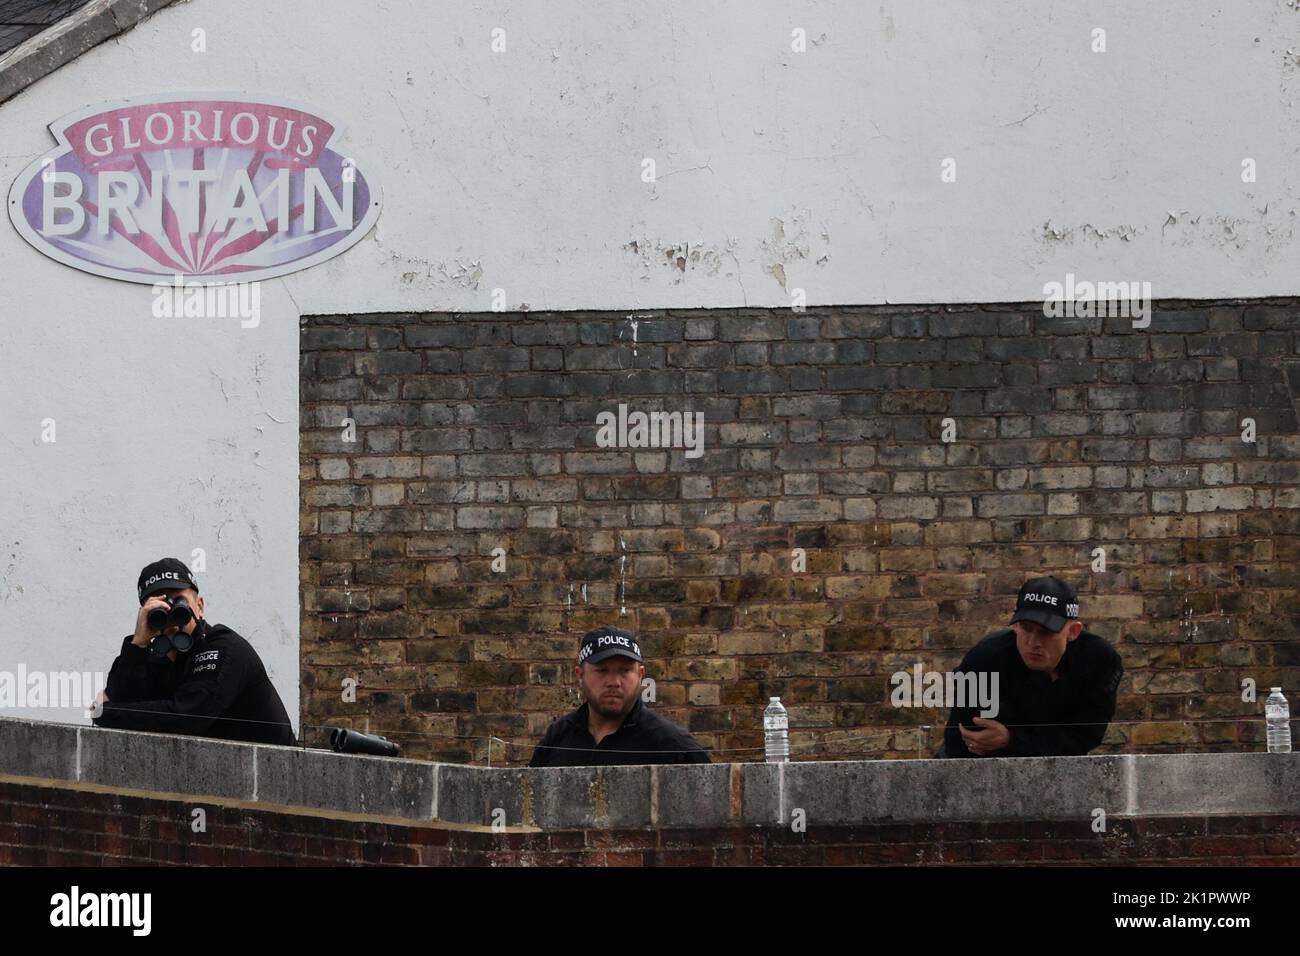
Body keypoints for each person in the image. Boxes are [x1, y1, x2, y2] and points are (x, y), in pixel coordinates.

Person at [92, 558, 295, 745]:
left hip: (276, 775)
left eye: (179, 602)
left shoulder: (225, 648)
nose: (170, 612)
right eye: (158, 605)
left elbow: (188, 718)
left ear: (199, 606)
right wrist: (139, 642)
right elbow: (120, 698)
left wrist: (106, 713)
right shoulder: (158, 657)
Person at [939, 575, 1123, 758]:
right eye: (1026, 628)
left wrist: (1010, 740)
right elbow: (959, 741)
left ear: (1073, 631)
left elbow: (1084, 737)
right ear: (1016, 626)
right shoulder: (985, 660)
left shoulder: (1099, 660)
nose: (1034, 643)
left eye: (1046, 632)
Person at [529, 625, 710, 767]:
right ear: (580, 675)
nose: (614, 682)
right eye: (602, 670)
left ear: (640, 675)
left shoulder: (672, 745)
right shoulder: (557, 738)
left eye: (624, 671)